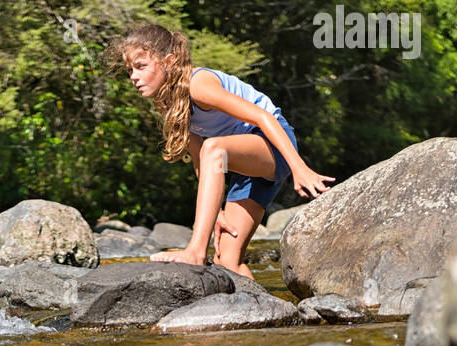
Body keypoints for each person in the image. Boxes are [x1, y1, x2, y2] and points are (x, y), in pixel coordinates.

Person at [106, 23, 334, 278]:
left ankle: (195, 251)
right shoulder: (172, 101)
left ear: (168, 61)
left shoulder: (198, 85)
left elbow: (262, 118)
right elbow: (199, 158)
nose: (133, 77)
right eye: (129, 70)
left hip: (273, 142)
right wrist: (217, 213)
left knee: (214, 148)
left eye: (140, 67)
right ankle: (265, 313)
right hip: (243, 163)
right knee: (227, 260)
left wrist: (299, 168)